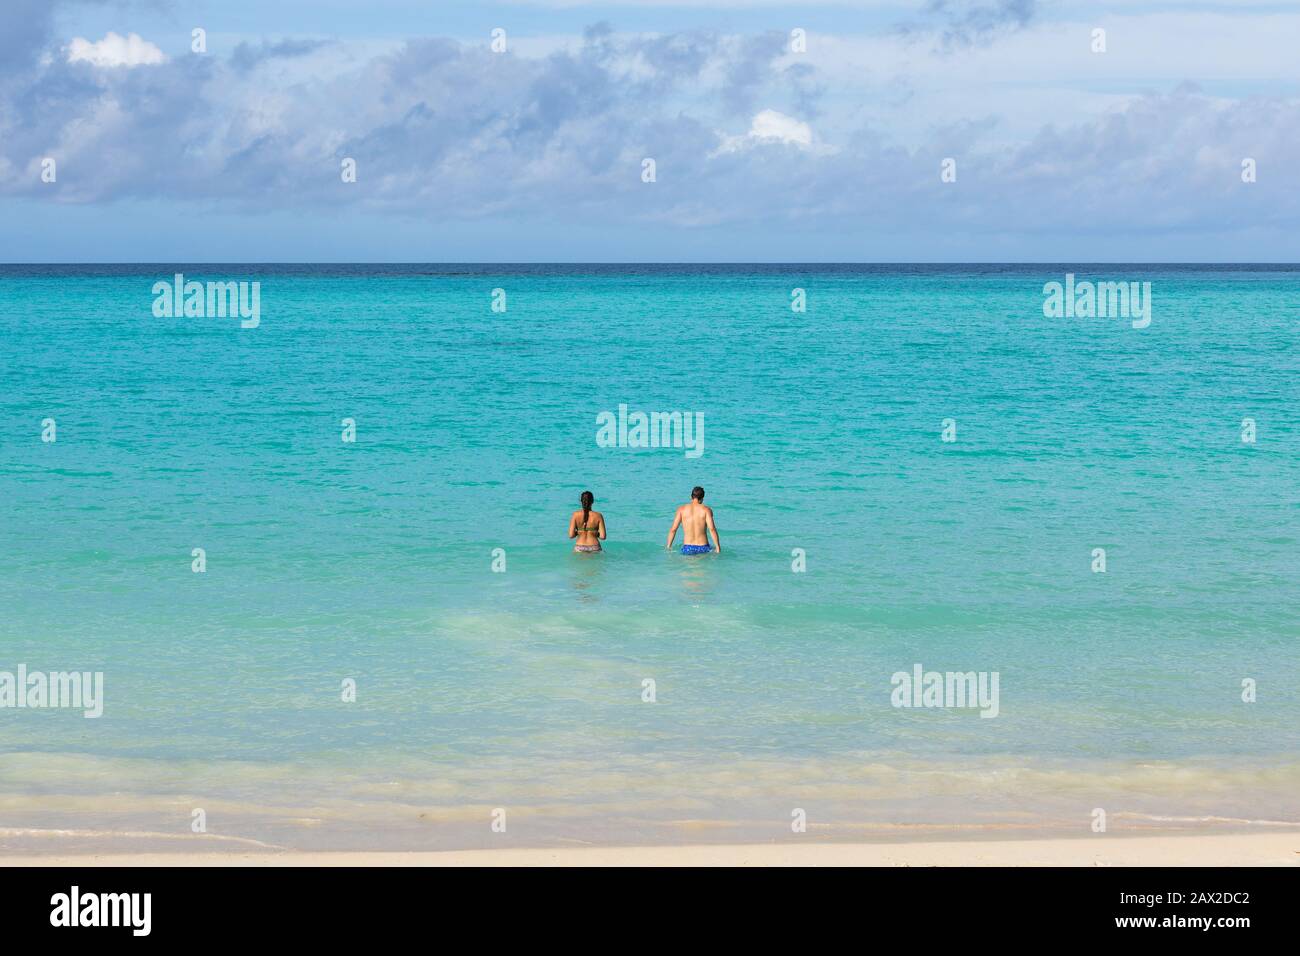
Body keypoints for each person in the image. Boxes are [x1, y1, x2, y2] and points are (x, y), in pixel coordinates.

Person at [666, 486, 721, 555]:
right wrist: (718, 547)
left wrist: (669, 546)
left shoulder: (681, 509)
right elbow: (712, 529)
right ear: (702, 498)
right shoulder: (706, 510)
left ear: (691, 497)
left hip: (687, 548)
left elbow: (673, 529)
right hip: (703, 547)